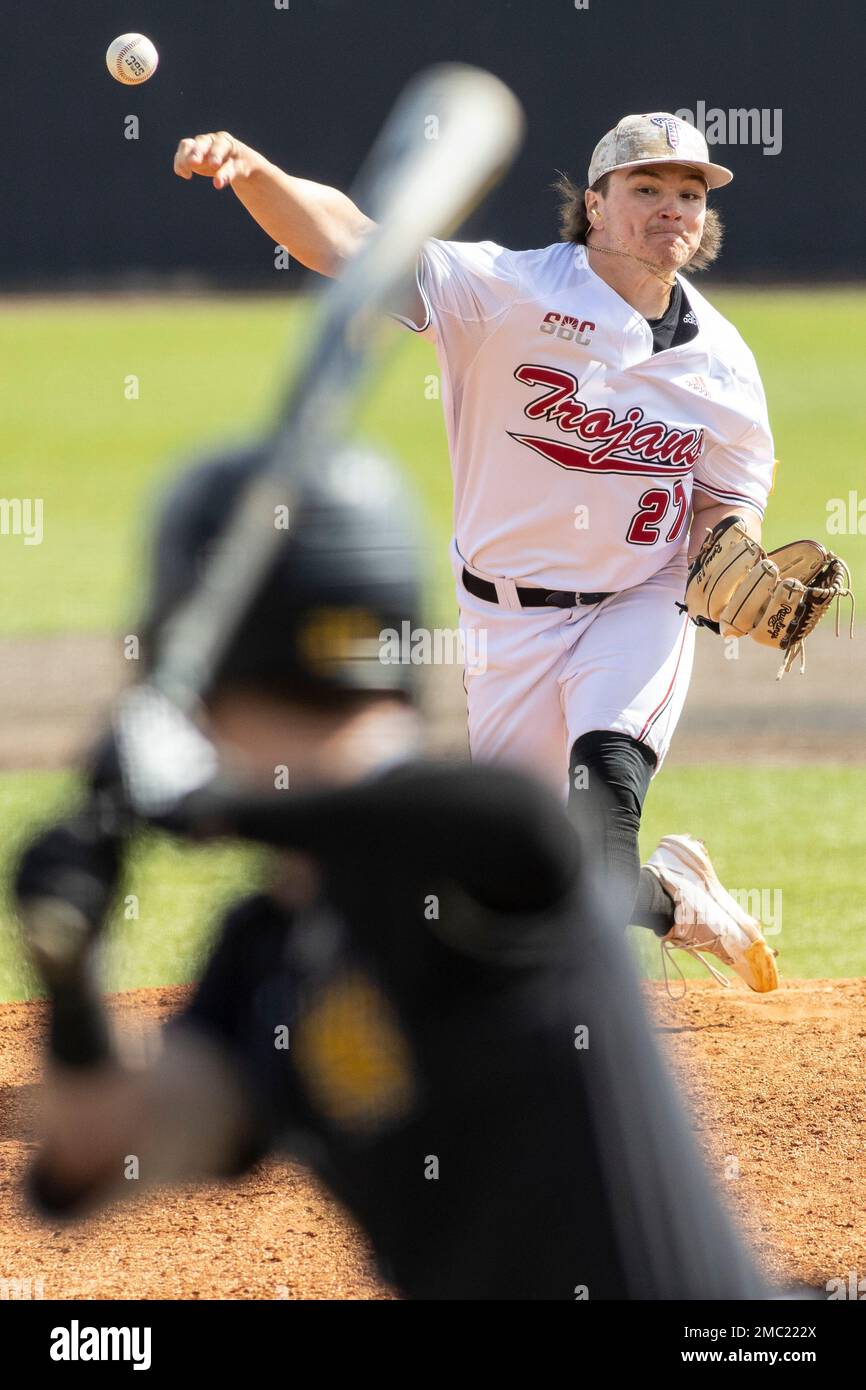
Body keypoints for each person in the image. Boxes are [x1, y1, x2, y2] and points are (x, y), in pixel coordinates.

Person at [14, 443, 771, 1300]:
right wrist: (70, 973)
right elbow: (96, 1154)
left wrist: (193, 802)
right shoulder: (269, 957)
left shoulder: (488, 850)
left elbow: (480, 819)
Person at [169, 111, 780, 993]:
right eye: (646, 189)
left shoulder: (723, 362)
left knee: (602, 811)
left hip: (637, 601)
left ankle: (593, 1040)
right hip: (504, 621)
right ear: (596, 207)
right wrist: (256, 169)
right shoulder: (507, 291)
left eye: (690, 194)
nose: (671, 209)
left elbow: (730, 495)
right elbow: (353, 242)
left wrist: (736, 549)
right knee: (516, 873)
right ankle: (677, 901)